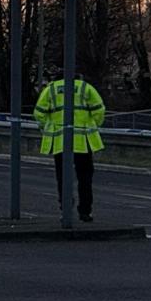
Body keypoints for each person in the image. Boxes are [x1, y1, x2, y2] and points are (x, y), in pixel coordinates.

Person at [33, 74, 106, 222]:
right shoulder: (85, 87)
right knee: (85, 178)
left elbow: (39, 113)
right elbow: (99, 110)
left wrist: (48, 127)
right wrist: (93, 125)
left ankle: (65, 208)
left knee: (62, 178)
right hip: (83, 142)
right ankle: (85, 211)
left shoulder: (51, 89)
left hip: (60, 142)